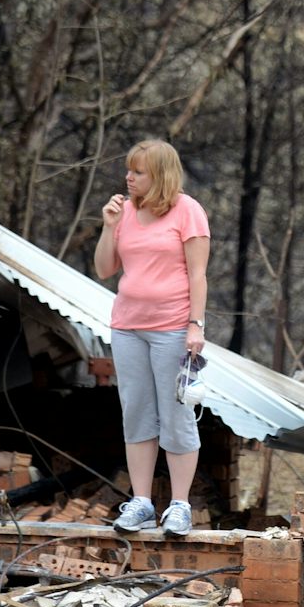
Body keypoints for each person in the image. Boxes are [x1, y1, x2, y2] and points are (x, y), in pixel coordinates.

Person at [93, 139, 210, 536]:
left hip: (173, 327)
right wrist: (109, 228)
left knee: (175, 414)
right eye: (129, 169)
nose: (129, 176)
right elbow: (105, 268)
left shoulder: (188, 211)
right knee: (137, 411)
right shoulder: (125, 211)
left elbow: (198, 274)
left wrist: (197, 325)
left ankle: (179, 505)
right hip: (127, 326)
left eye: (138, 171)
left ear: (159, 174)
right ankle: (141, 502)